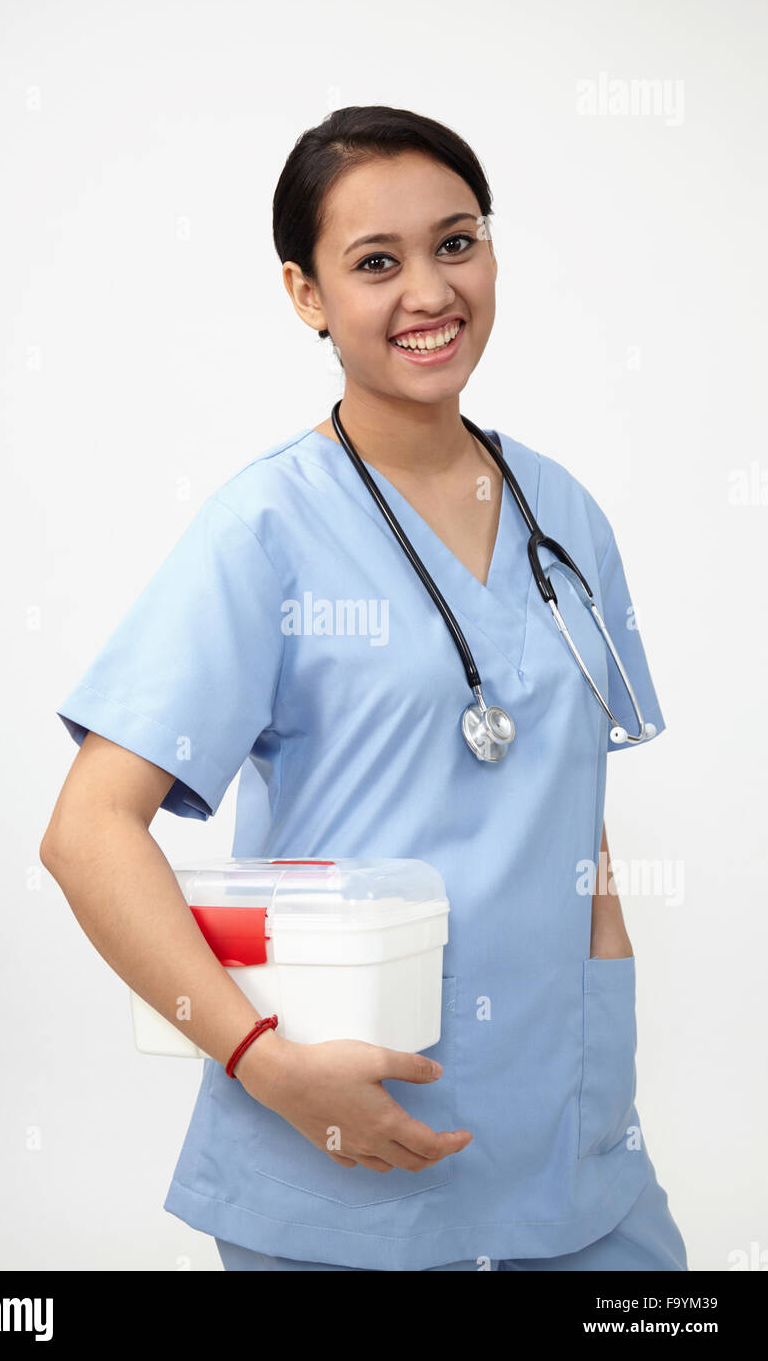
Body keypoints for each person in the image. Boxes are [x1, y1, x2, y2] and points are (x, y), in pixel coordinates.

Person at [40, 105, 687, 1272]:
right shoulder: (265, 529)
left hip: (571, 1148)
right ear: (305, 295)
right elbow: (87, 832)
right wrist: (261, 1062)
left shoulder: (562, 516)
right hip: (336, 1144)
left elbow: (569, 809)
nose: (429, 292)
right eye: (373, 263)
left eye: (456, 243)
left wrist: (607, 1029)